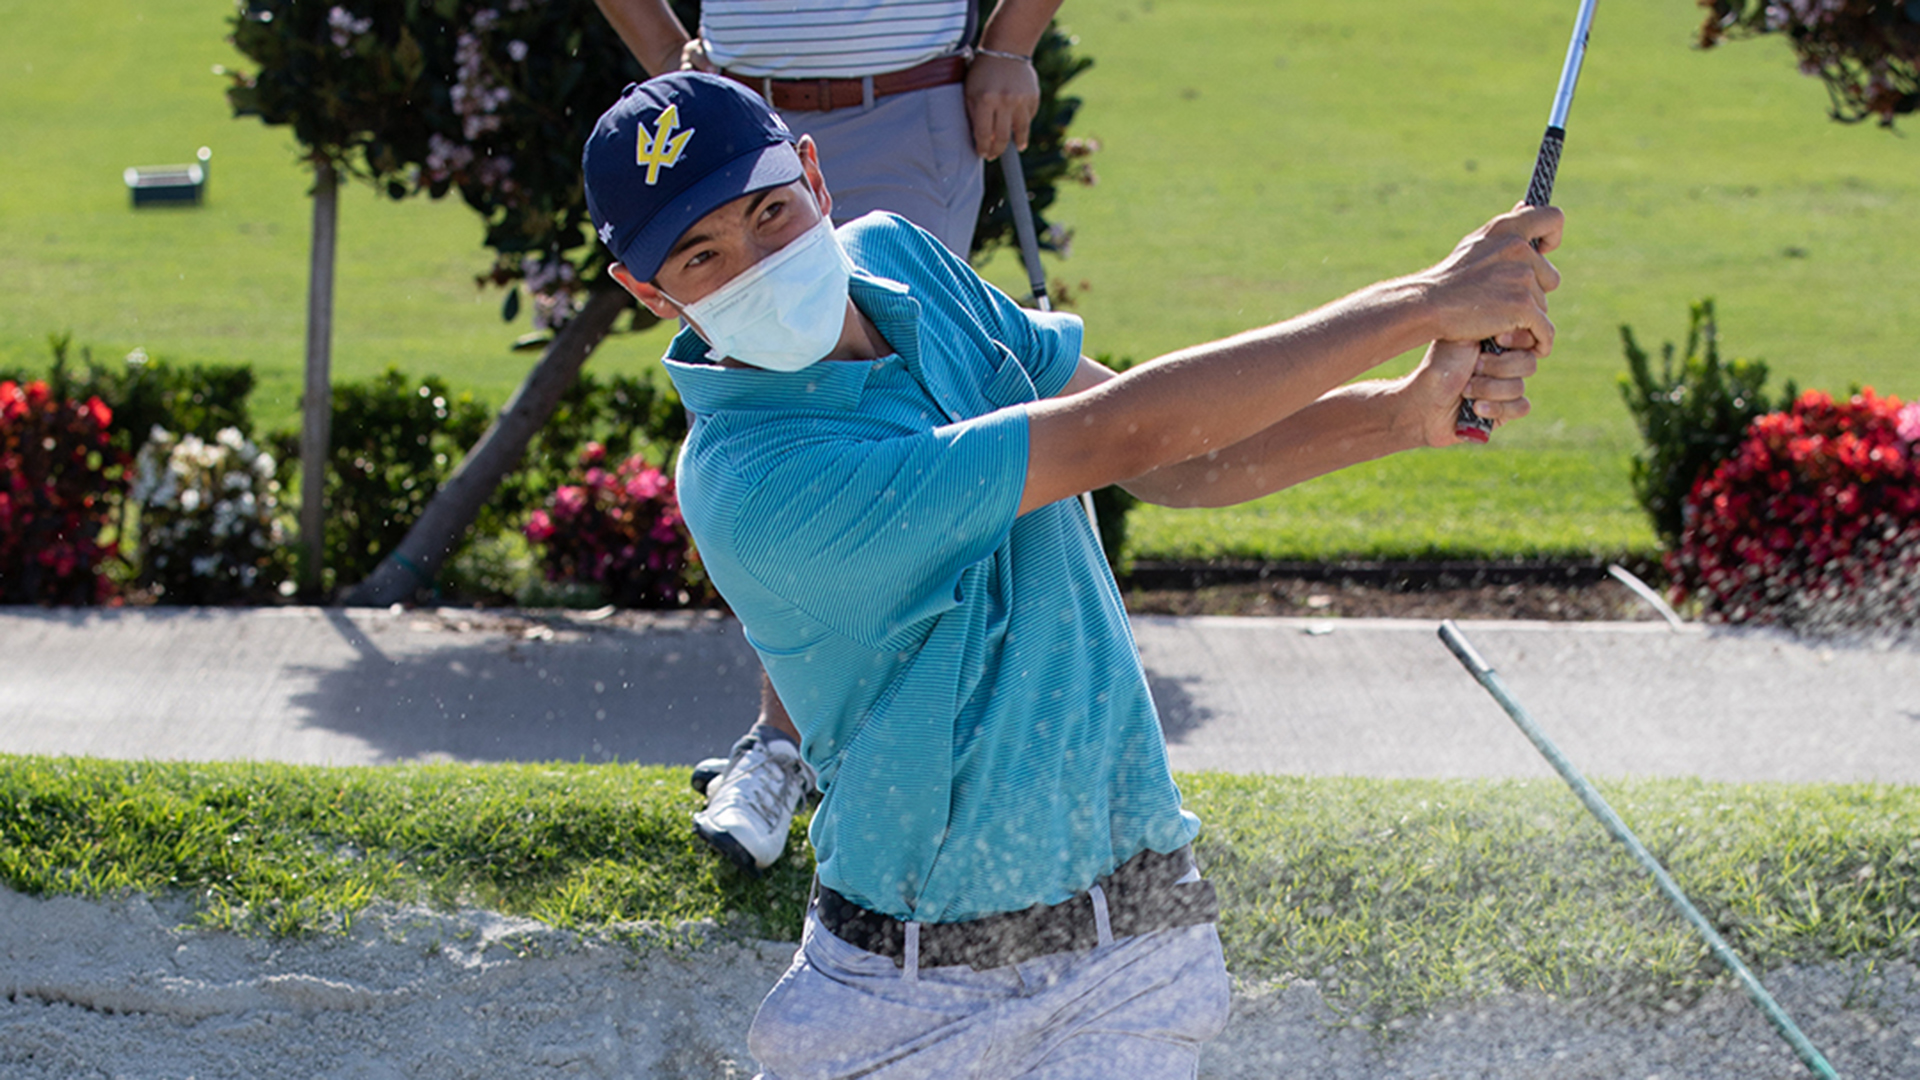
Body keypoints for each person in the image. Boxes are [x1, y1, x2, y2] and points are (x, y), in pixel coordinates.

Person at [582, 73, 1559, 1077]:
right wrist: (1426, 299)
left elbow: (1169, 457)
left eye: (768, 212)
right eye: (702, 256)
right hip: (912, 1007)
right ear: (650, 294)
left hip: (1137, 941)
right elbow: (1121, 430)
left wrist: (1402, 413)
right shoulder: (759, 487)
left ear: (815, 177)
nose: (760, 261)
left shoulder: (898, 261)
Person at [591, 0, 1065, 874]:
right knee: (768, 411)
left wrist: (1011, 40)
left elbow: (1115, 428)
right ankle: (790, 744)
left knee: (885, 411)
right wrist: (674, 68)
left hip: (907, 96)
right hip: (728, 108)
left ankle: (892, 747)